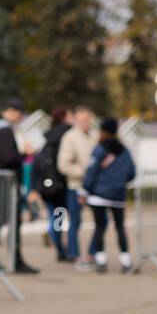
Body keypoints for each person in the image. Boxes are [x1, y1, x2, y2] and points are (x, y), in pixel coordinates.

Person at [0, 97, 38, 273]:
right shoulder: (5, 132)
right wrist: (25, 154)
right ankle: (9, 260)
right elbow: (9, 158)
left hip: (1, 181)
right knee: (7, 220)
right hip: (6, 183)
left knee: (3, 220)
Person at [81, 118, 135, 273]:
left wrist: (85, 190)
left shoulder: (99, 149)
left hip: (99, 194)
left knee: (99, 227)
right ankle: (126, 262)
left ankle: (101, 261)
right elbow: (132, 173)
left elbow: (91, 172)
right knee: (120, 227)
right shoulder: (124, 150)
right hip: (118, 195)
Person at [57, 105, 98, 271]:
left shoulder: (95, 136)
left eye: (86, 119)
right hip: (76, 186)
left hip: (94, 186)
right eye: (80, 120)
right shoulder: (70, 137)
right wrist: (84, 172)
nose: (84, 123)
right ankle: (74, 254)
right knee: (75, 221)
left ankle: (92, 252)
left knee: (101, 221)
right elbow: (63, 164)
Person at [37, 107, 72, 262]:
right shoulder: (69, 134)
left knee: (56, 216)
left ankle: (57, 243)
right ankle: (66, 247)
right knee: (72, 219)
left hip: (49, 187)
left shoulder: (48, 138)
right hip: (63, 185)